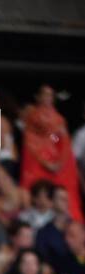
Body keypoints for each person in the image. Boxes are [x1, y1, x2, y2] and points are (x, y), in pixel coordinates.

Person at [19, 86, 84, 224]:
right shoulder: (32, 116)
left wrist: (58, 160)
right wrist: (46, 161)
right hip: (38, 160)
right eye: (44, 94)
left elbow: (57, 138)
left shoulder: (59, 119)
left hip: (56, 160)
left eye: (50, 95)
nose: (47, 98)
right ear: (38, 97)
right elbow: (32, 138)